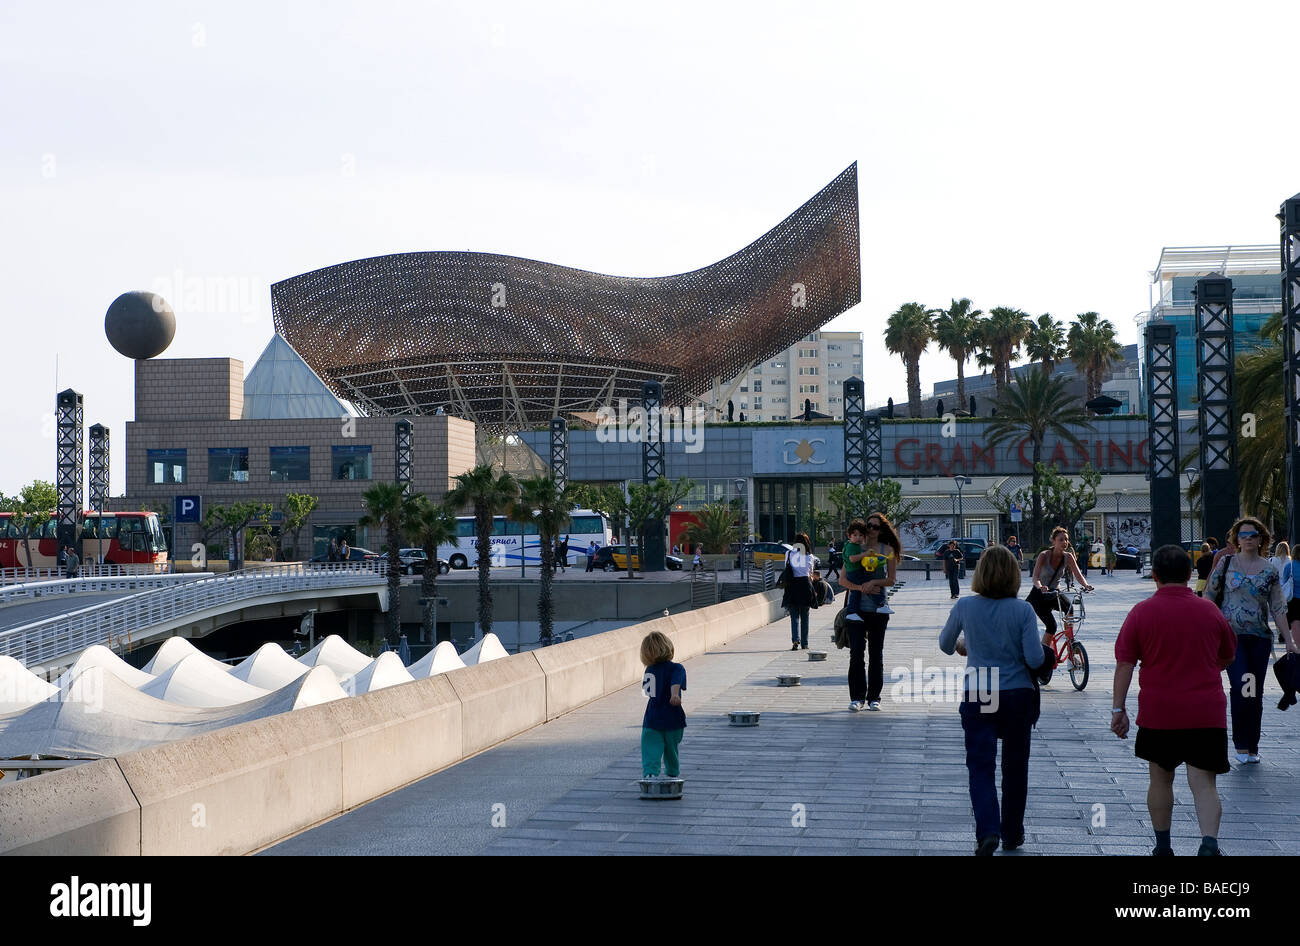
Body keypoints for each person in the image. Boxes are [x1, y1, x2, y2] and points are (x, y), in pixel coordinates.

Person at [1111, 544, 1237, 856]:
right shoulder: (1210, 611)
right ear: (1190, 574)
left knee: (1160, 779)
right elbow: (1227, 656)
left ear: (1154, 576)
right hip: (1205, 712)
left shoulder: (1141, 613)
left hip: (1159, 712)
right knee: (1204, 783)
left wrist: (1118, 709)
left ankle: (1163, 846)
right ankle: (1209, 843)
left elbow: (1125, 663)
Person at [939, 545, 1047, 855]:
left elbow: (946, 644)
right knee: (1015, 767)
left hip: (980, 693)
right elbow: (1035, 657)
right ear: (1014, 574)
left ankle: (987, 831)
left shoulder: (966, 606)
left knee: (980, 766)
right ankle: (1012, 833)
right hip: (1017, 695)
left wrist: (966, 642)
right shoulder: (1023, 610)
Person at [1203, 517, 1297, 764]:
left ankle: (1251, 745)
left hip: (1258, 639)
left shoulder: (1269, 570)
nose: (1247, 539)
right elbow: (1208, 596)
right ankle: (1241, 744)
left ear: (1261, 539)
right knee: (1242, 688)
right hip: (1231, 638)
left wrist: (1289, 641)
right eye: (1243, 535)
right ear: (1236, 538)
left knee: (1254, 692)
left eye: (1252, 535)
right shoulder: (1226, 563)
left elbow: (1278, 607)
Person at [839, 513, 899, 711]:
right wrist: (861, 588)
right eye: (869, 526)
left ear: (881, 529)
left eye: (875, 526)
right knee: (856, 653)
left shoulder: (887, 550)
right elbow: (842, 580)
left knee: (876, 654)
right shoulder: (855, 548)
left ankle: (874, 697)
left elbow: (891, 580)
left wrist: (873, 582)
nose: (871, 529)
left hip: (878, 610)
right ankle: (857, 697)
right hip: (856, 610)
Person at [1027, 527, 1094, 647]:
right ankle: (1045, 653)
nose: (1064, 542)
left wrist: (1086, 585)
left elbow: (1078, 574)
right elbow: (1035, 577)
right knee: (1052, 626)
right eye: (1061, 540)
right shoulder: (1044, 555)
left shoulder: (1068, 556)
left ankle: (1071, 645)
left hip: (1055, 593)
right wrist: (1040, 587)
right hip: (1039, 595)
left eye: (1066, 539)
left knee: (1070, 609)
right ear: (1053, 541)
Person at [640, 630, 686, 780]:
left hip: (653, 717)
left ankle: (650, 773)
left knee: (650, 746)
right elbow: (676, 682)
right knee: (671, 748)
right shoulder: (677, 668)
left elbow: (647, 692)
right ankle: (672, 772)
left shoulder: (649, 670)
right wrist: (674, 695)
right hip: (673, 716)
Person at [843, 520, 891, 622]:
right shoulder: (852, 546)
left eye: (860, 535)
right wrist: (864, 587)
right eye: (855, 535)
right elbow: (851, 560)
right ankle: (880, 604)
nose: (858, 538)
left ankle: (852, 612)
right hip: (855, 573)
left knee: (857, 593)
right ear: (849, 535)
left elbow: (891, 580)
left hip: (855, 573)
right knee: (864, 587)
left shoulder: (886, 549)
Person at [782, 532, 816, 651]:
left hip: (792, 586)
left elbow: (786, 568)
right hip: (805, 586)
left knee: (794, 616)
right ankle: (805, 643)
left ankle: (795, 639)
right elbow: (811, 573)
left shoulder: (789, 553)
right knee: (805, 616)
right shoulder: (810, 556)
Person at [1285, 544, 1300, 650]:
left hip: (1293, 599)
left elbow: (1284, 582)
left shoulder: (1289, 566)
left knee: (1295, 624)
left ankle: (1299, 646)